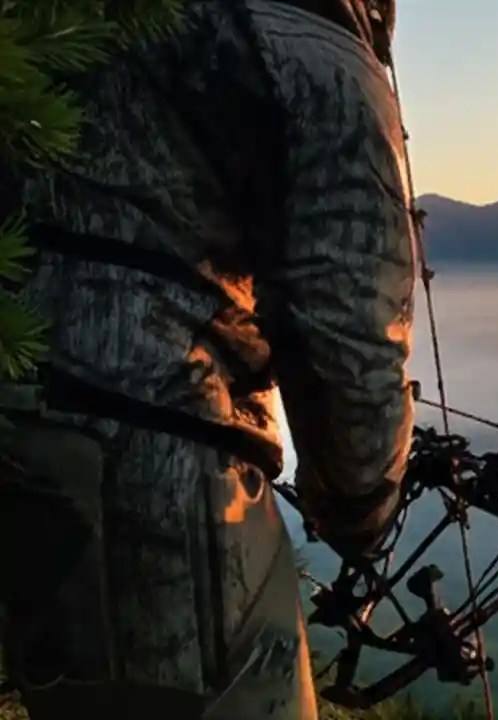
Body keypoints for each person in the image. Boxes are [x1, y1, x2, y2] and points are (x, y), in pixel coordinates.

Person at [0, 0, 414, 717]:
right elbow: (351, 334)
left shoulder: (54, 19)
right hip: (157, 481)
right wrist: (359, 510)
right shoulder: (309, 43)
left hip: (28, 432)